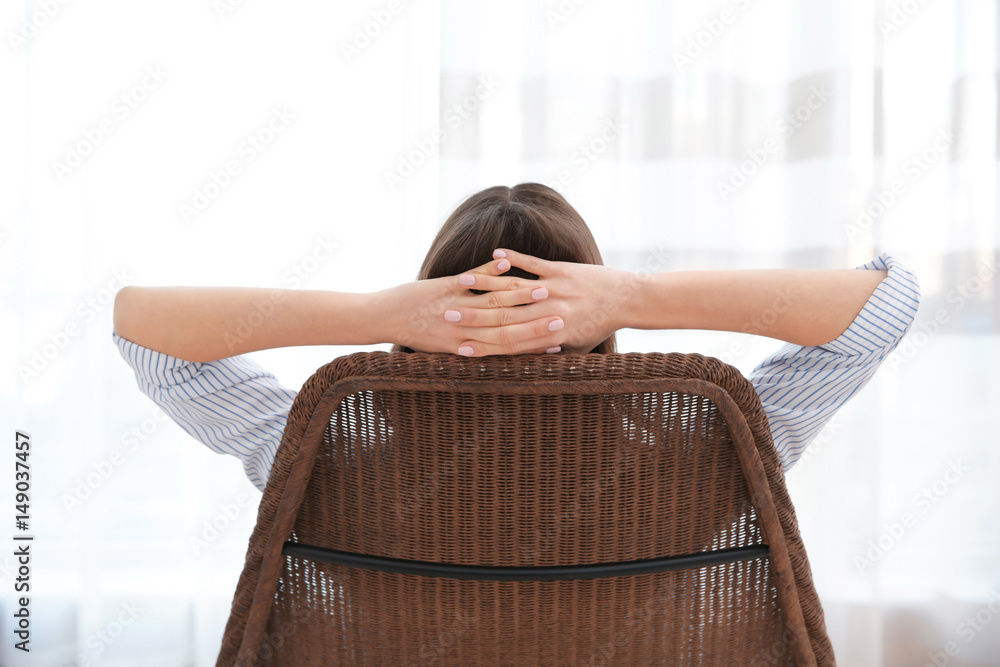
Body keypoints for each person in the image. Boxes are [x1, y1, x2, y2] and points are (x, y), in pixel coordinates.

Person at [113, 183, 920, 491]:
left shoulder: (327, 456)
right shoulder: (707, 450)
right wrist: (634, 296)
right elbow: (885, 306)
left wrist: (377, 315)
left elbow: (141, 328)